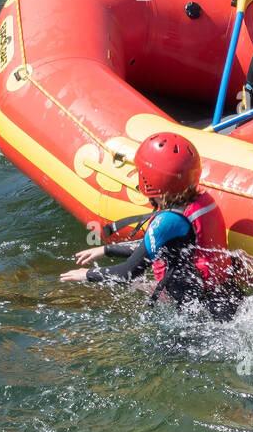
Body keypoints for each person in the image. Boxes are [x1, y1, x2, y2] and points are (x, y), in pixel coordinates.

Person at [59, 133, 240, 319]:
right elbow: (157, 248)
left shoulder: (168, 221)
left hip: (201, 314)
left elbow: (128, 272)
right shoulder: (201, 201)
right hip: (225, 296)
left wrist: (87, 274)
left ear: (150, 179)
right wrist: (107, 250)